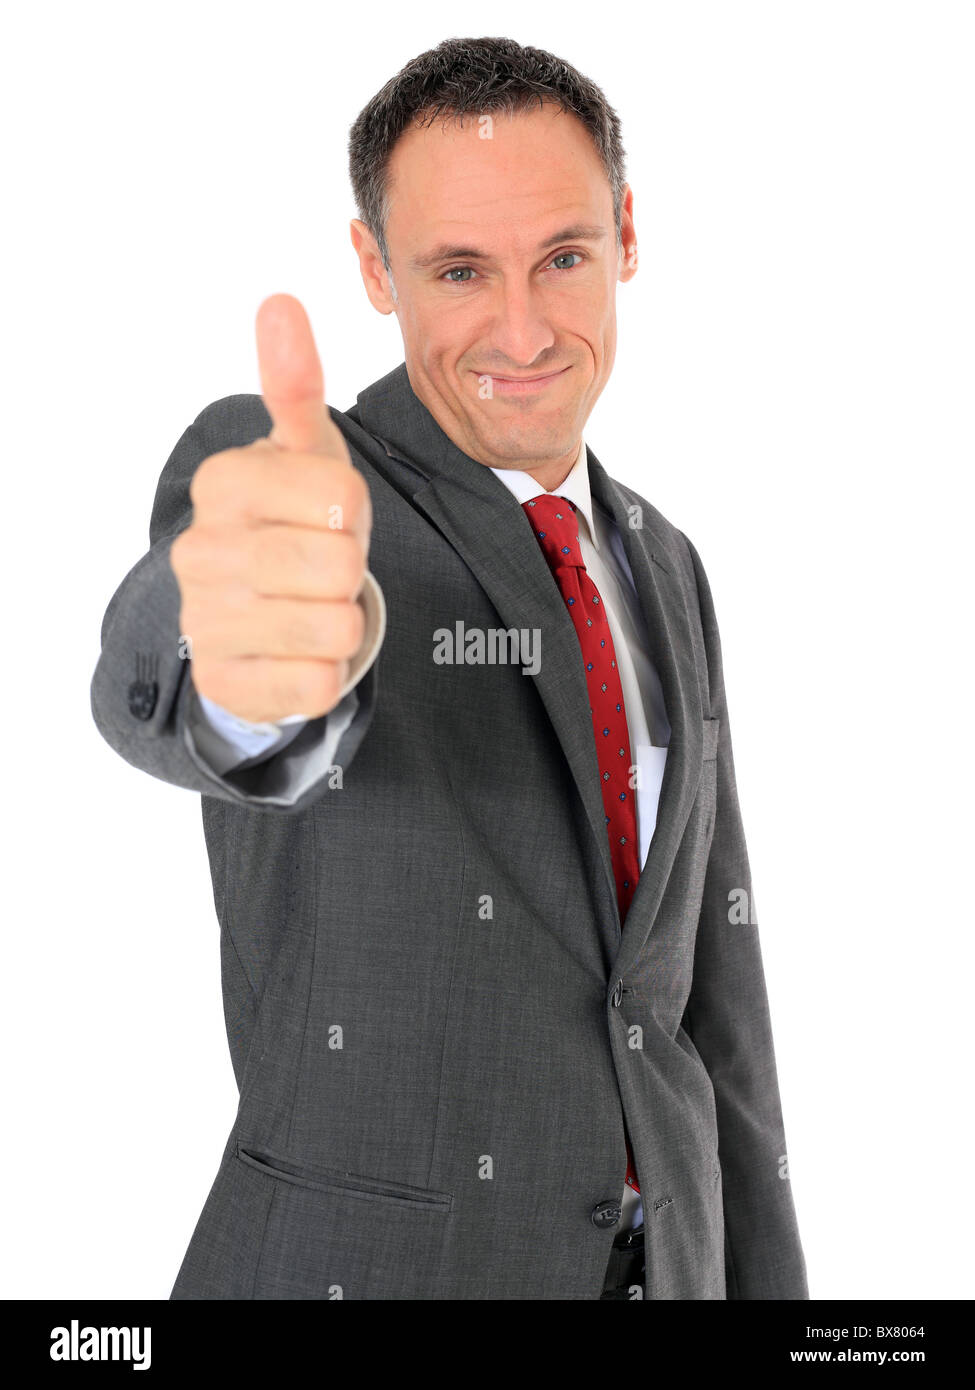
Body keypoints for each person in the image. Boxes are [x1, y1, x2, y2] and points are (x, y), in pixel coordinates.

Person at [90, 35, 808, 1301]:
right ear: (375, 266)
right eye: (460, 270)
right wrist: (259, 665)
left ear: (628, 235)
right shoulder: (297, 485)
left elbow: (713, 1007)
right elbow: (224, 683)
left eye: (565, 258)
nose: (523, 329)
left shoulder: (666, 560)